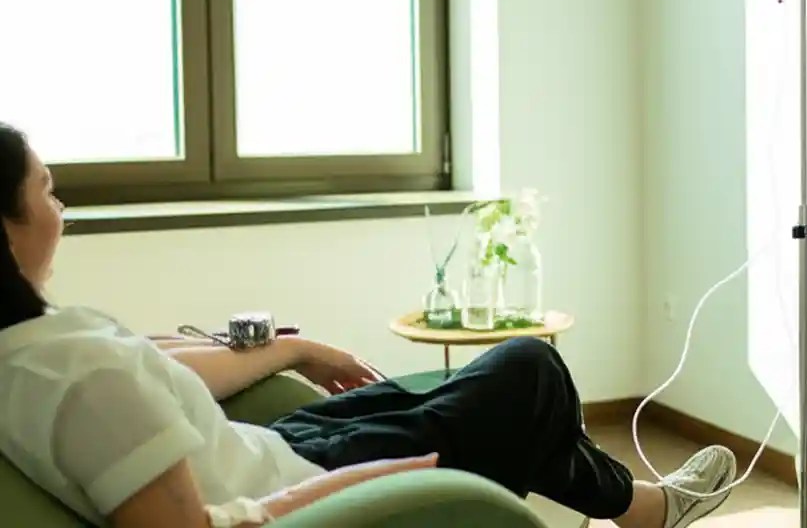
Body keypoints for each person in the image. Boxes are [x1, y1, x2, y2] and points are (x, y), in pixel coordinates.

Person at [0, 122, 737, 528]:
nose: (62, 210)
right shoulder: (73, 375)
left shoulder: (32, 345)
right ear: (4, 230)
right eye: (47, 191)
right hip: (304, 477)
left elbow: (151, 363)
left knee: (490, 398)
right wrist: (346, 488)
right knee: (526, 371)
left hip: (269, 442)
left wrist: (295, 347)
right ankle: (637, 511)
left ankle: (635, 510)